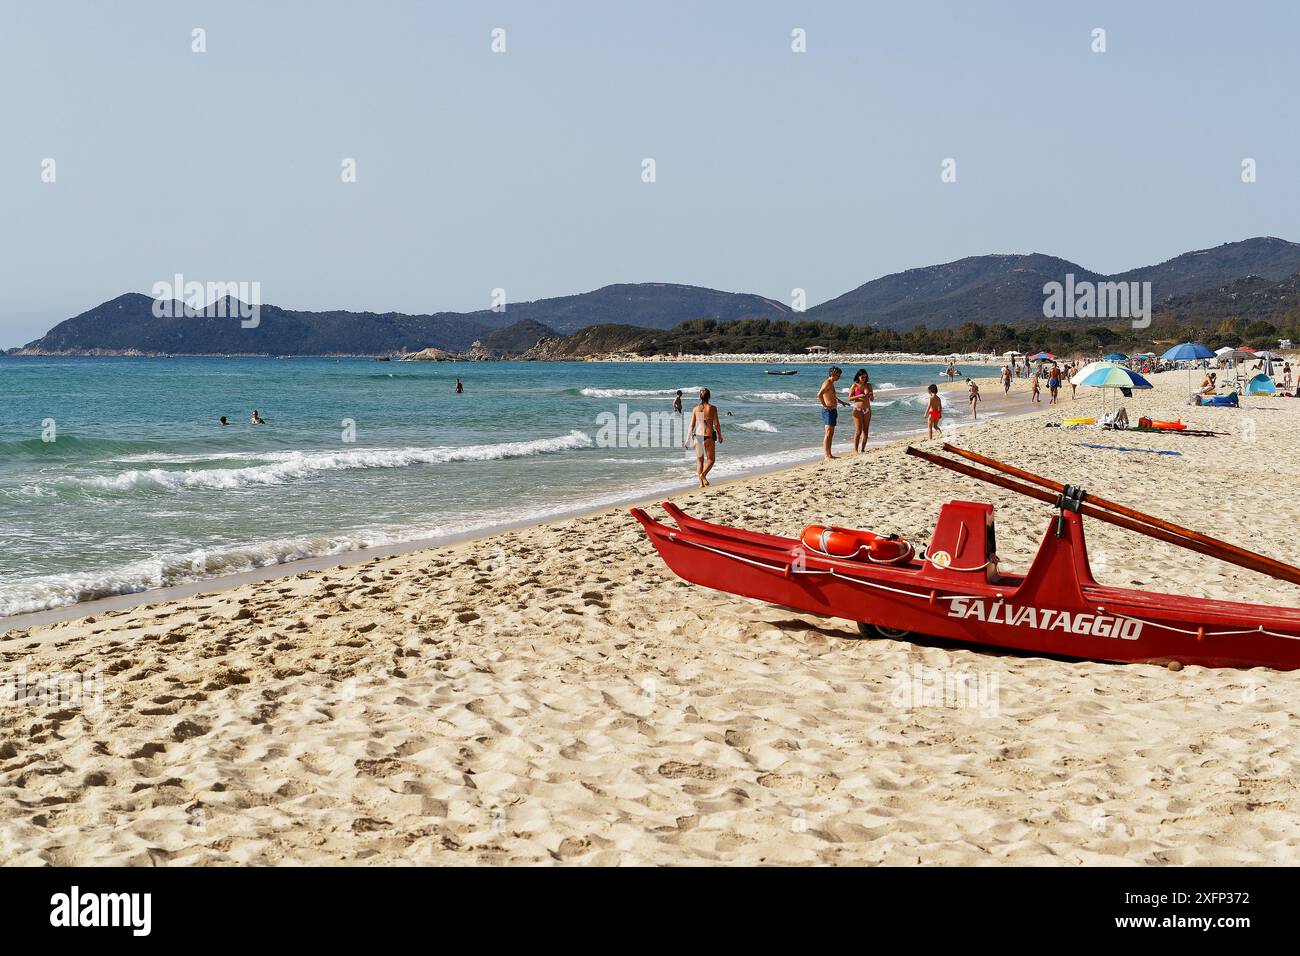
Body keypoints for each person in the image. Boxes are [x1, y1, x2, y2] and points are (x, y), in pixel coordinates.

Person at [685, 387, 722, 487]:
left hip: (698, 436)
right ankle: (703, 475)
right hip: (708, 436)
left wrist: (687, 439)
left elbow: (691, 425)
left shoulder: (696, 409)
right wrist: (719, 435)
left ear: (700, 397)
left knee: (699, 461)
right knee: (711, 460)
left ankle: (701, 483)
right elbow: (716, 424)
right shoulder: (712, 408)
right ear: (709, 396)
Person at [817, 366, 850, 460]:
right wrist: (825, 405)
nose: (839, 377)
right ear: (832, 374)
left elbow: (833, 396)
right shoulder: (827, 383)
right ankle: (826, 455)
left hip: (833, 410)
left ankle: (829, 454)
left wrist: (842, 402)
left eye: (839, 375)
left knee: (831, 433)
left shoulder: (831, 383)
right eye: (838, 375)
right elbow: (819, 394)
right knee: (828, 433)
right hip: (828, 411)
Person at [848, 369, 874, 453]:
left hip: (867, 409)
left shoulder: (869, 385)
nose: (864, 379)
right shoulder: (854, 386)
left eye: (865, 377)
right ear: (858, 377)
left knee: (865, 431)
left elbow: (872, 399)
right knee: (858, 431)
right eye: (862, 377)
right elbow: (850, 398)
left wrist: (870, 395)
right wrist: (859, 396)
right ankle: (855, 450)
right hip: (857, 409)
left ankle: (862, 449)